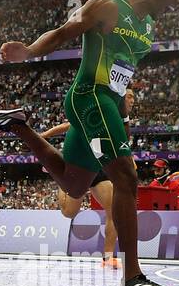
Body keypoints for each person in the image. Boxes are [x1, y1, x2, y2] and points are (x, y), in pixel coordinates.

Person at [0, 0, 179, 286]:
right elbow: (64, 32)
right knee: (125, 178)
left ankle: (20, 127)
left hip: (109, 104)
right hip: (89, 97)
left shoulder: (149, 25)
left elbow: (123, 72)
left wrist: (122, 116)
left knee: (72, 182)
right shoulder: (108, 6)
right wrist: (30, 51)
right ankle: (133, 275)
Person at [36, 89, 135, 269]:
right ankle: (58, 173)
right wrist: (43, 136)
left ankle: (107, 258)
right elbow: (68, 126)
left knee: (114, 208)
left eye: (134, 97)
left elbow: (122, 144)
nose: (132, 100)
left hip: (98, 168)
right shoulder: (99, 110)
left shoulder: (121, 120)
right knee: (69, 213)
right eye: (129, 96)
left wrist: (130, 160)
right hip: (79, 165)